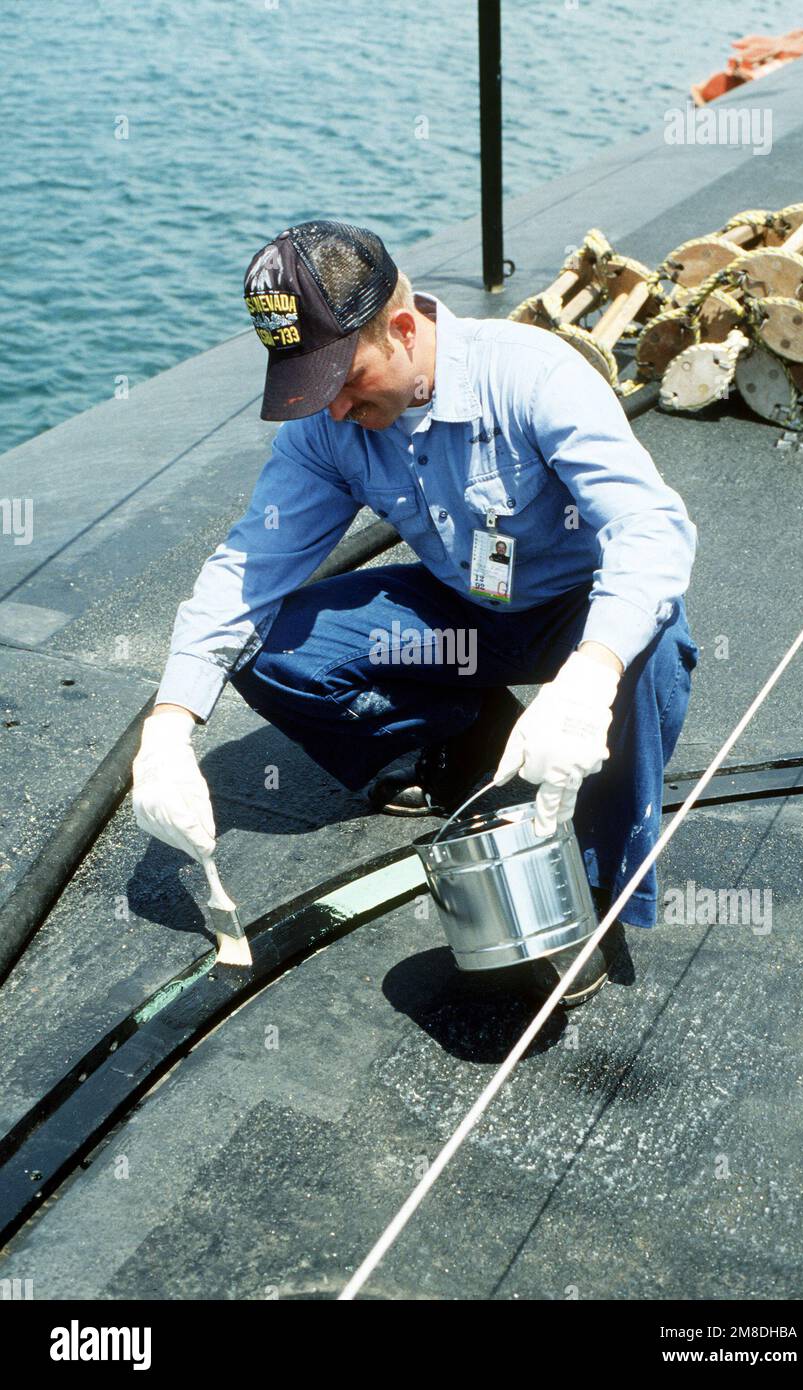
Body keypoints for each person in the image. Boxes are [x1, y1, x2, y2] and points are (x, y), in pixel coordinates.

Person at [133, 219, 700, 1002]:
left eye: (344, 377)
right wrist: (168, 726)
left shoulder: (532, 375)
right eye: (311, 386)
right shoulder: (325, 430)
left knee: (654, 637)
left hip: (578, 614)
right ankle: (472, 743)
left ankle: (594, 888)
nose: (330, 408)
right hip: (464, 617)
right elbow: (246, 569)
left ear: (402, 328)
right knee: (267, 648)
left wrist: (589, 677)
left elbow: (651, 530)